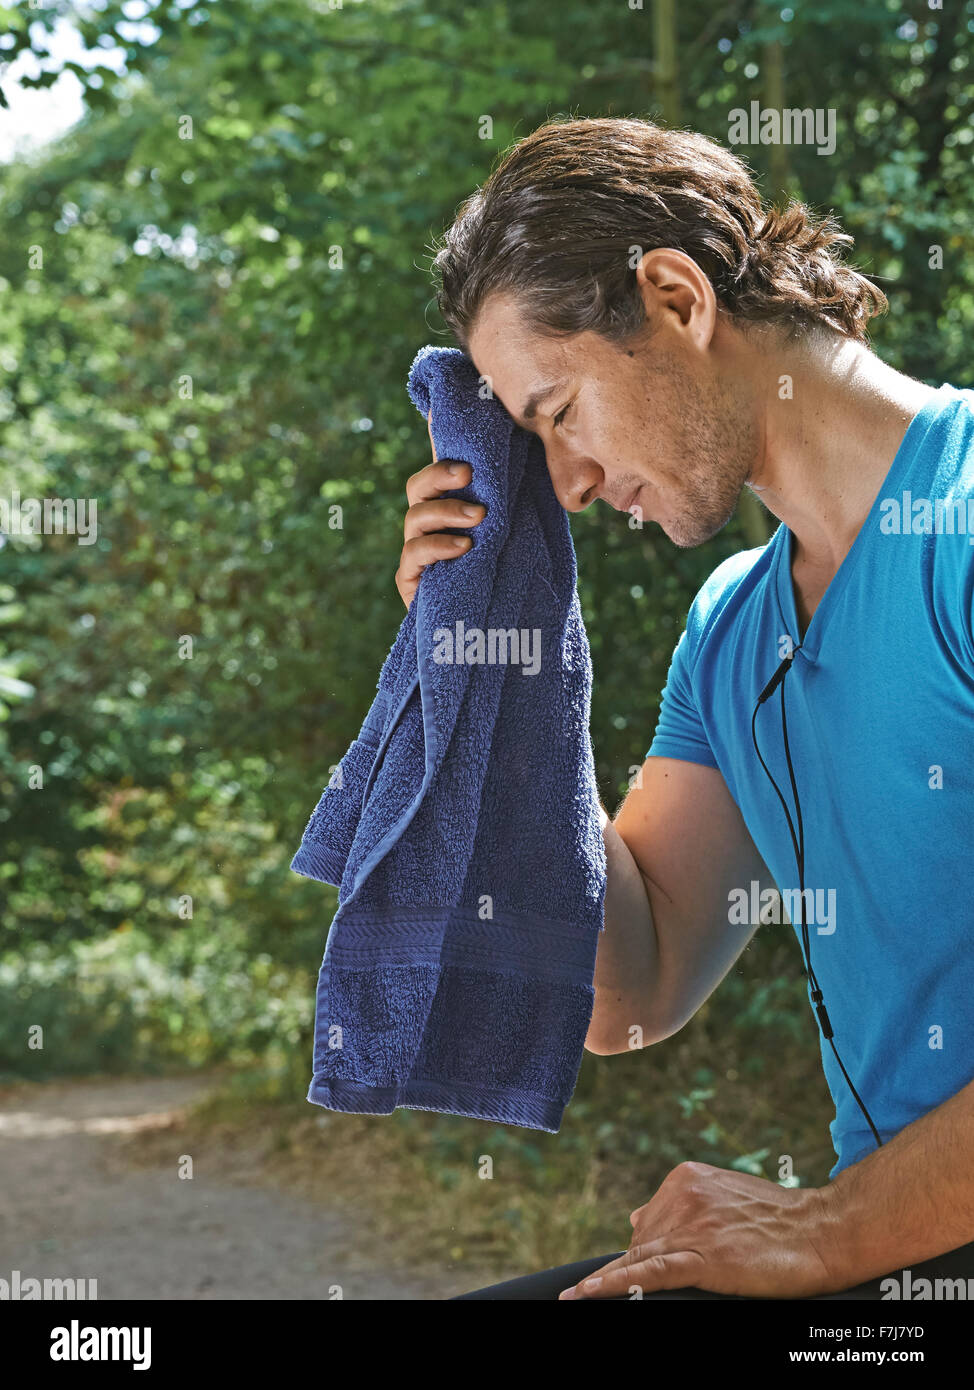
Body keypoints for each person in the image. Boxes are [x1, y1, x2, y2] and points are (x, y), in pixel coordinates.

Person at [394, 117, 974, 1301]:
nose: (568, 480)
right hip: (885, 1259)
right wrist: (495, 676)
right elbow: (629, 993)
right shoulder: (731, 624)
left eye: (557, 412)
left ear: (673, 297)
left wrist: (823, 1230)